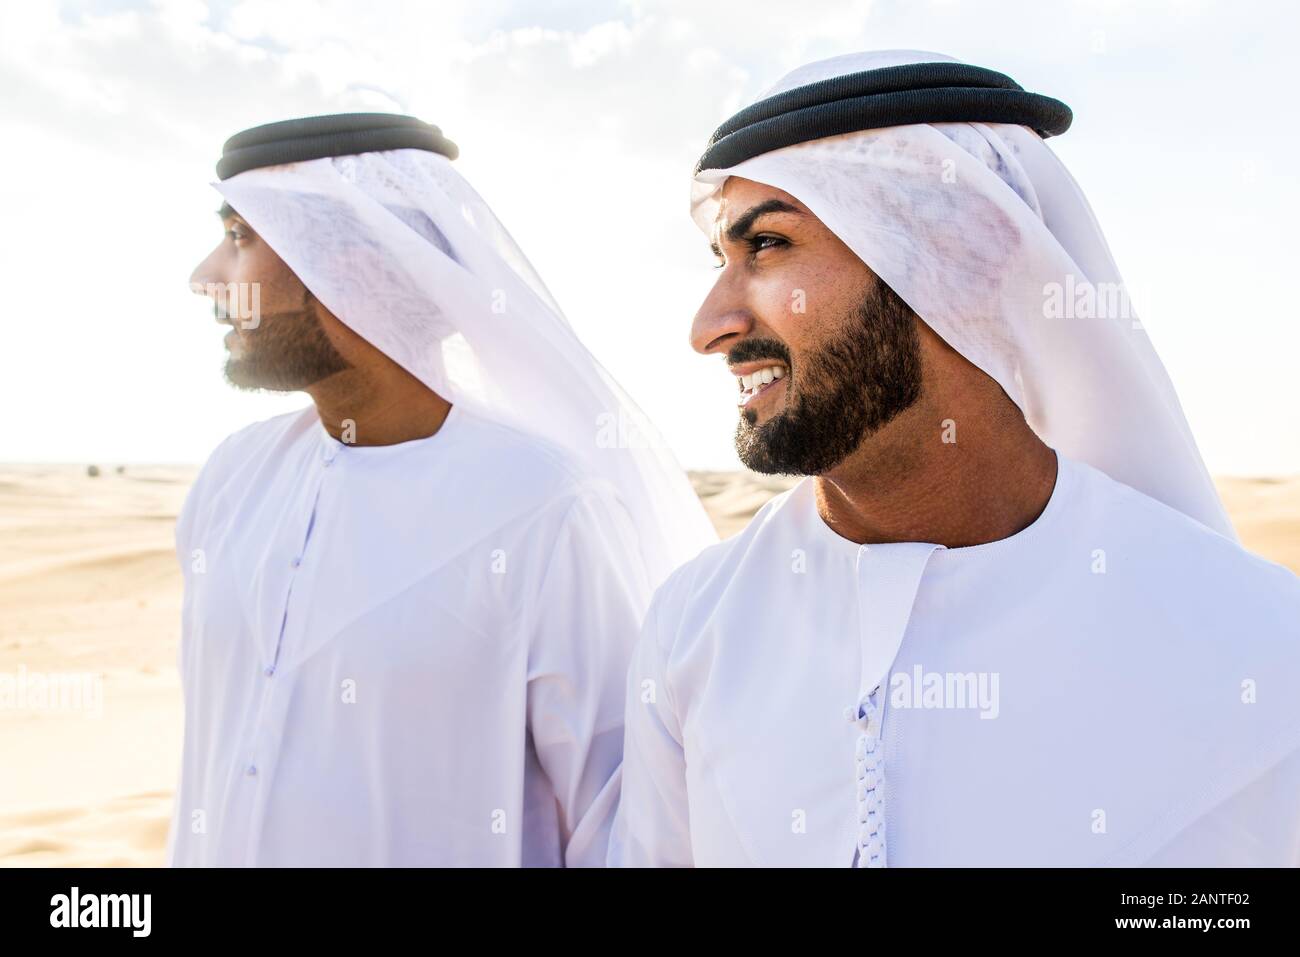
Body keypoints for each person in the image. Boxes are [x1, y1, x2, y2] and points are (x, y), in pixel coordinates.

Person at [609, 51, 1300, 867]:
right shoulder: (695, 625)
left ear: (961, 256)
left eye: (768, 243)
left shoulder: (1256, 647)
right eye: (721, 261)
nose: (708, 325)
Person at [167, 113, 715, 866]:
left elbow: (625, 827)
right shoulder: (231, 482)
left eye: (239, 237)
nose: (206, 277)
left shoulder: (546, 510)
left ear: (350, 263)